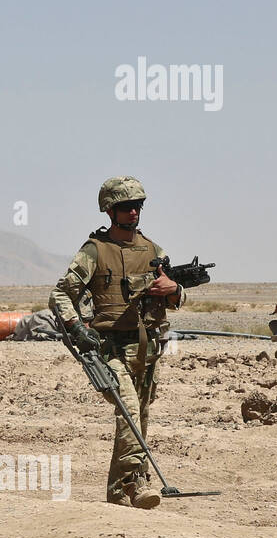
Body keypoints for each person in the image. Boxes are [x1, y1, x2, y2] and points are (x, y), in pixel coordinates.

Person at [48, 177, 186, 508]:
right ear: (110, 210)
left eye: (138, 205)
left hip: (147, 349)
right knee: (128, 412)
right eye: (126, 206)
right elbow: (60, 294)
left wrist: (173, 290)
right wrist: (77, 327)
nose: (134, 211)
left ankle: (116, 495)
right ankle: (136, 483)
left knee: (138, 414)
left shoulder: (154, 251)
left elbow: (175, 299)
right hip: (109, 348)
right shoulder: (94, 251)